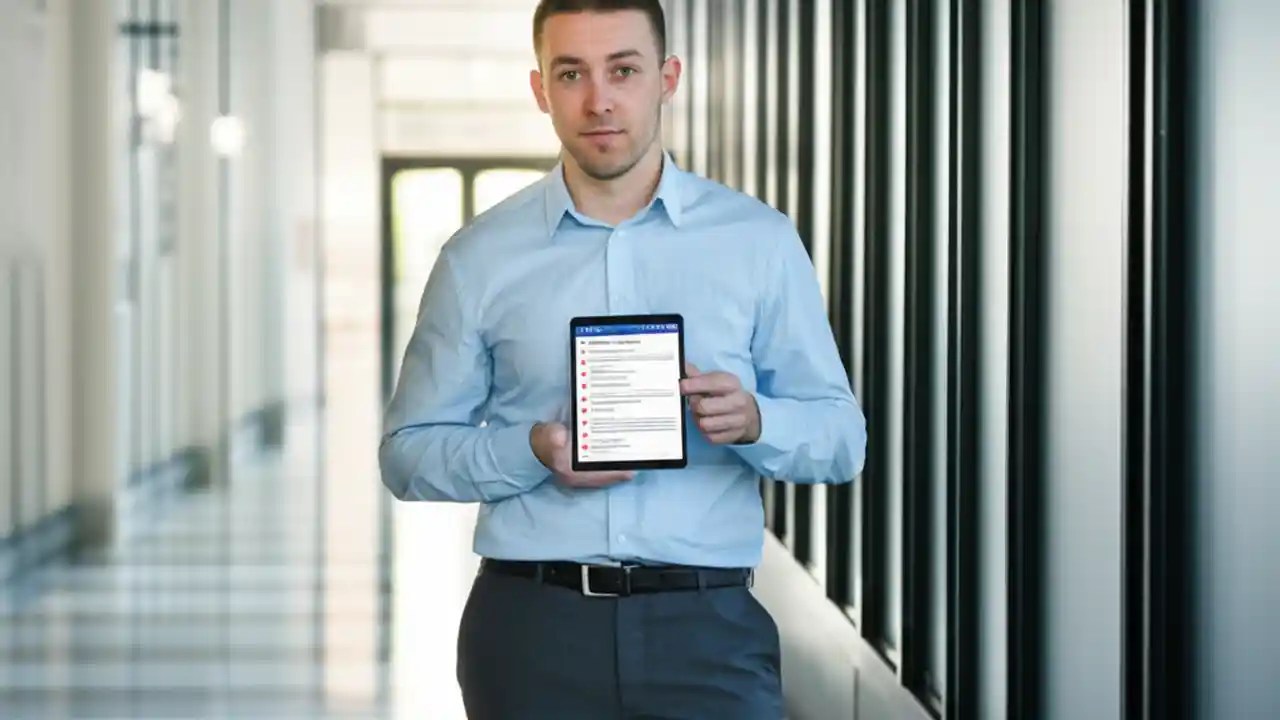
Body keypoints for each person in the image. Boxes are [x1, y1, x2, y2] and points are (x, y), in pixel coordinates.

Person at [379, 0, 866, 717]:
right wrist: (532, 449)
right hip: (531, 630)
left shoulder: (758, 242)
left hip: (709, 632)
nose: (599, 99)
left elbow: (841, 441)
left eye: (624, 70)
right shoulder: (478, 258)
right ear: (541, 89)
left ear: (666, 78)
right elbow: (406, 457)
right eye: (571, 73)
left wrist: (757, 419)